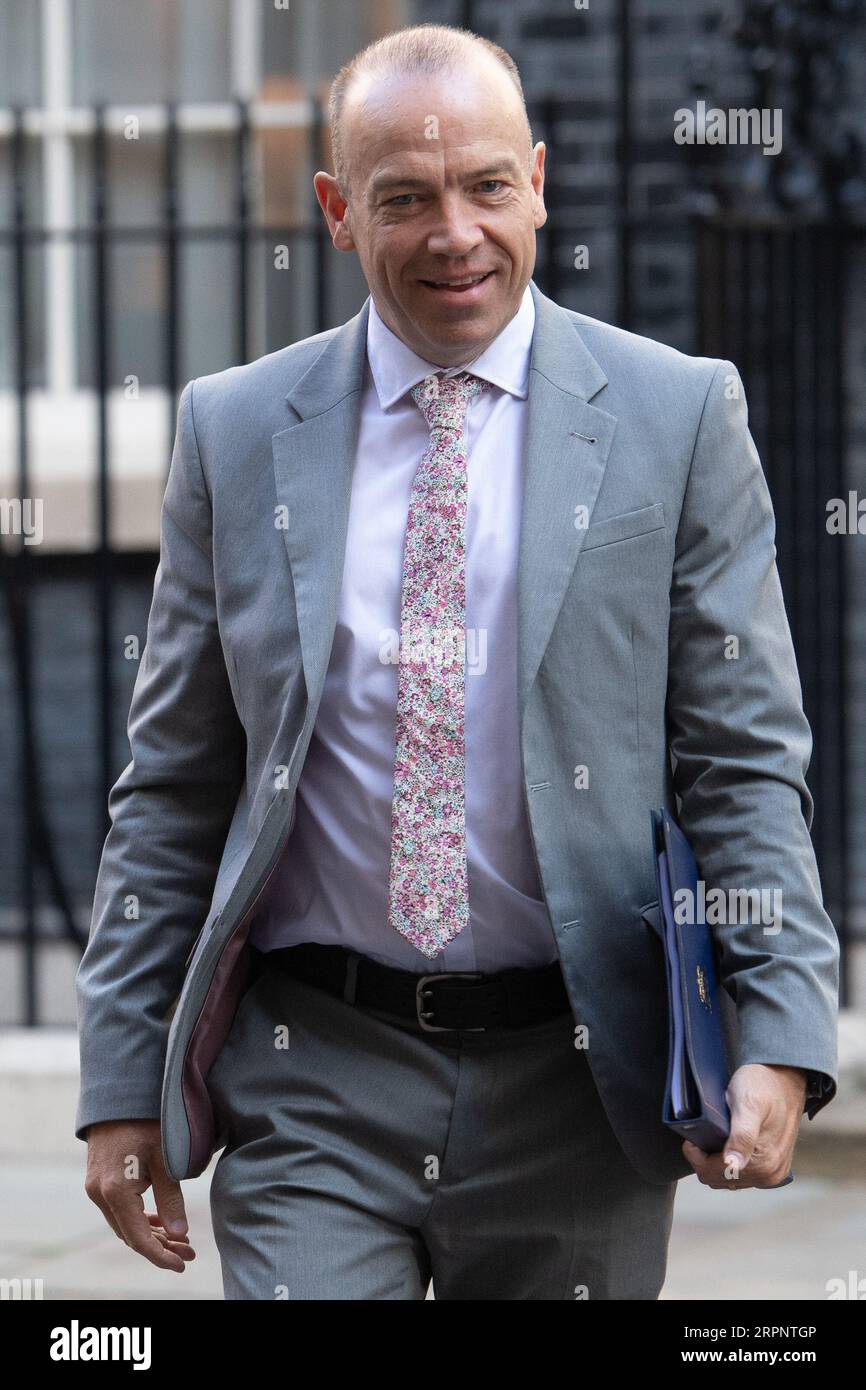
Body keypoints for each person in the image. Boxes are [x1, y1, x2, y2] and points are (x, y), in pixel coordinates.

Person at [77, 23, 839, 1301]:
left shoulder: (674, 416)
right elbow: (172, 783)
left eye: (487, 185)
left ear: (537, 181)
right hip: (311, 1064)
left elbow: (743, 758)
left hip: (578, 1073)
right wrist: (117, 1080)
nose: (455, 233)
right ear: (333, 210)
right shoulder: (237, 431)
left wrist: (777, 1027)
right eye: (404, 199)